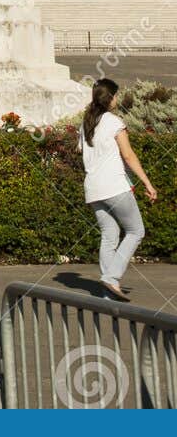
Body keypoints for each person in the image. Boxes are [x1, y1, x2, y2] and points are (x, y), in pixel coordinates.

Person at [79, 78, 157, 301]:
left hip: (93, 188)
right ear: (110, 98)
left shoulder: (86, 124)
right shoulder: (114, 122)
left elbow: (81, 150)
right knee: (135, 231)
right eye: (115, 95)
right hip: (114, 186)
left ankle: (108, 290)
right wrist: (147, 183)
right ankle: (112, 278)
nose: (117, 99)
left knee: (110, 235)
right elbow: (129, 155)